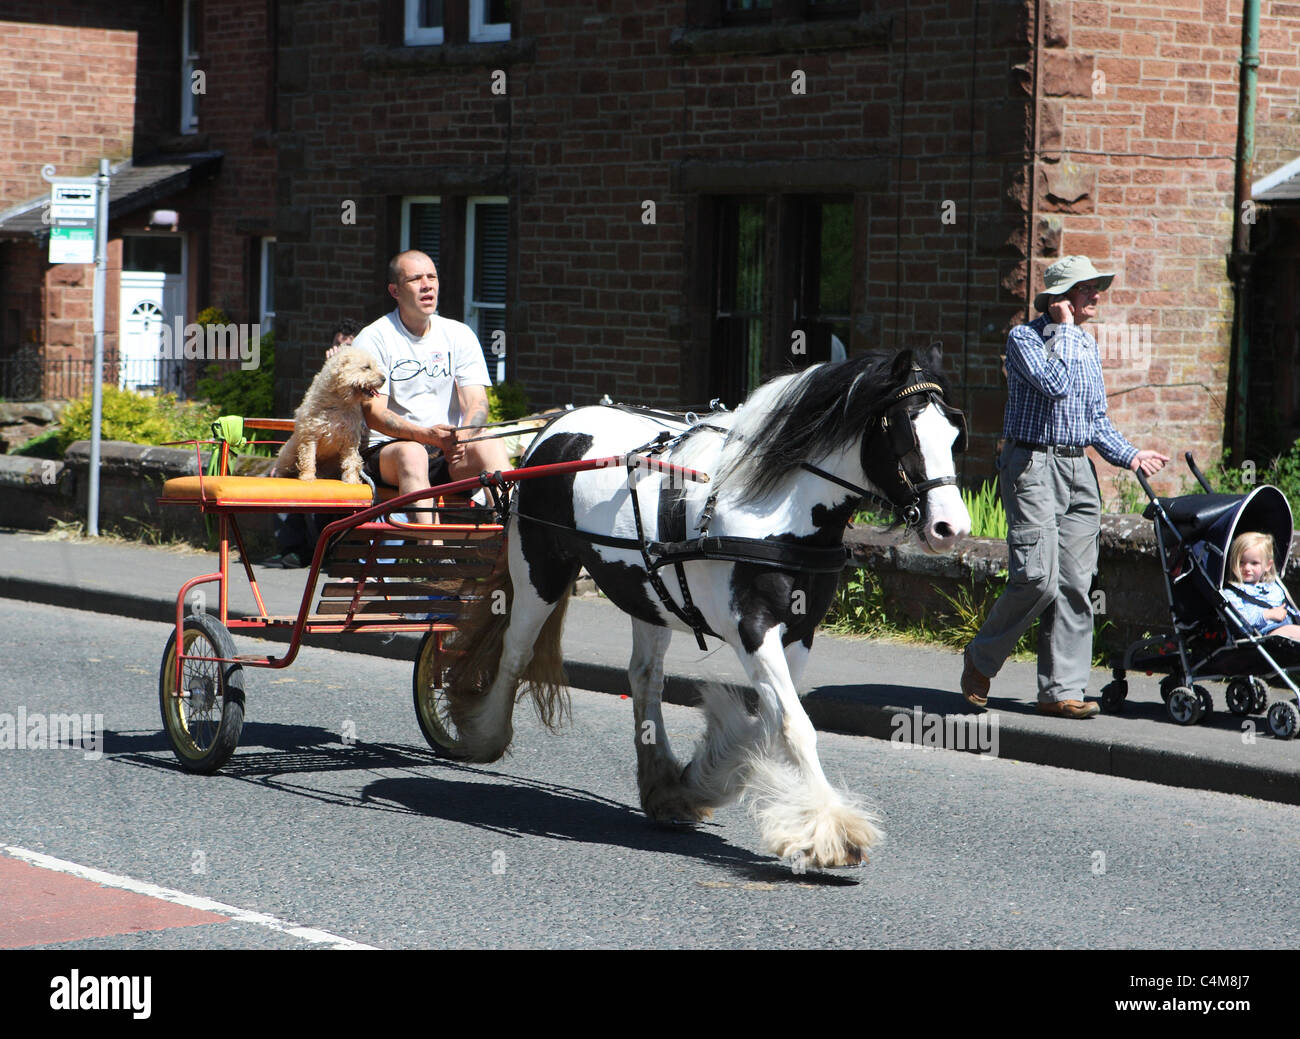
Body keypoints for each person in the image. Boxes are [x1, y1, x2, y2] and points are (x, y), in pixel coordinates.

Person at [960, 255, 1170, 718]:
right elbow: (1053, 385)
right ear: (1059, 299)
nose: (1096, 295)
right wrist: (1065, 332)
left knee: (1076, 584)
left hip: (1080, 470)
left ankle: (1062, 691)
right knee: (1037, 578)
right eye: (1086, 288)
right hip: (1032, 465)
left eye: (1097, 287)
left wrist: (1131, 455)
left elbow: (1095, 420)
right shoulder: (1025, 339)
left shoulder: (1086, 346)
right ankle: (981, 658)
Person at [353, 250, 509, 520]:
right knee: (413, 453)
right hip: (390, 452)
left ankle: (512, 534)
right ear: (395, 291)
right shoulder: (374, 338)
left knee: (490, 444)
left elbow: (477, 402)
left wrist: (463, 436)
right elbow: (374, 413)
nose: (427, 285)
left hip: (446, 451)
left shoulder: (459, 334)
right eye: (415, 279)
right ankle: (430, 547)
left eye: (432, 277)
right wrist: (426, 436)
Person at [264, 319, 367, 568]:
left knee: (320, 483)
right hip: (320, 453)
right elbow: (309, 418)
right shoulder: (326, 380)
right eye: (337, 345)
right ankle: (294, 549)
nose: (341, 350)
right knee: (278, 473)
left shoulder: (364, 375)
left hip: (350, 456)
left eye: (348, 346)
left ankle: (322, 551)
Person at [1223, 531, 1300, 640]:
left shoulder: (1272, 585)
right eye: (1241, 562)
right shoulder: (1232, 592)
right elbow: (1240, 620)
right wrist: (1267, 614)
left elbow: (1289, 608)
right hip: (1266, 633)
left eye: (1254, 563)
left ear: (1268, 565)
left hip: (1289, 624)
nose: (1247, 568)